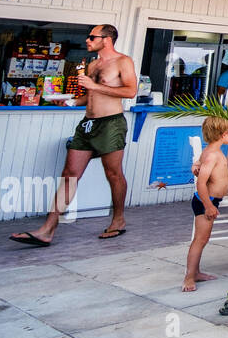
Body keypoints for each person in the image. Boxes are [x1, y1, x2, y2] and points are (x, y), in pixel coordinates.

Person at [11, 22, 137, 247]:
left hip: (111, 124)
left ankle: (118, 220)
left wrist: (94, 87)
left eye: (91, 37)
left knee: (113, 174)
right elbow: (90, 97)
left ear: (106, 39)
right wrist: (69, 101)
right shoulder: (92, 65)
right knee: (69, 173)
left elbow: (130, 91)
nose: (87, 41)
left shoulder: (123, 61)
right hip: (87, 124)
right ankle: (47, 230)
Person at [183, 116, 228, 291]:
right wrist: (208, 205)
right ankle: (189, 277)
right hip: (206, 200)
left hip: (212, 200)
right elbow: (201, 183)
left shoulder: (210, 152)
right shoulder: (213, 155)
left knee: (203, 239)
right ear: (223, 134)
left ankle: (196, 272)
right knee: (200, 239)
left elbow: (199, 164)